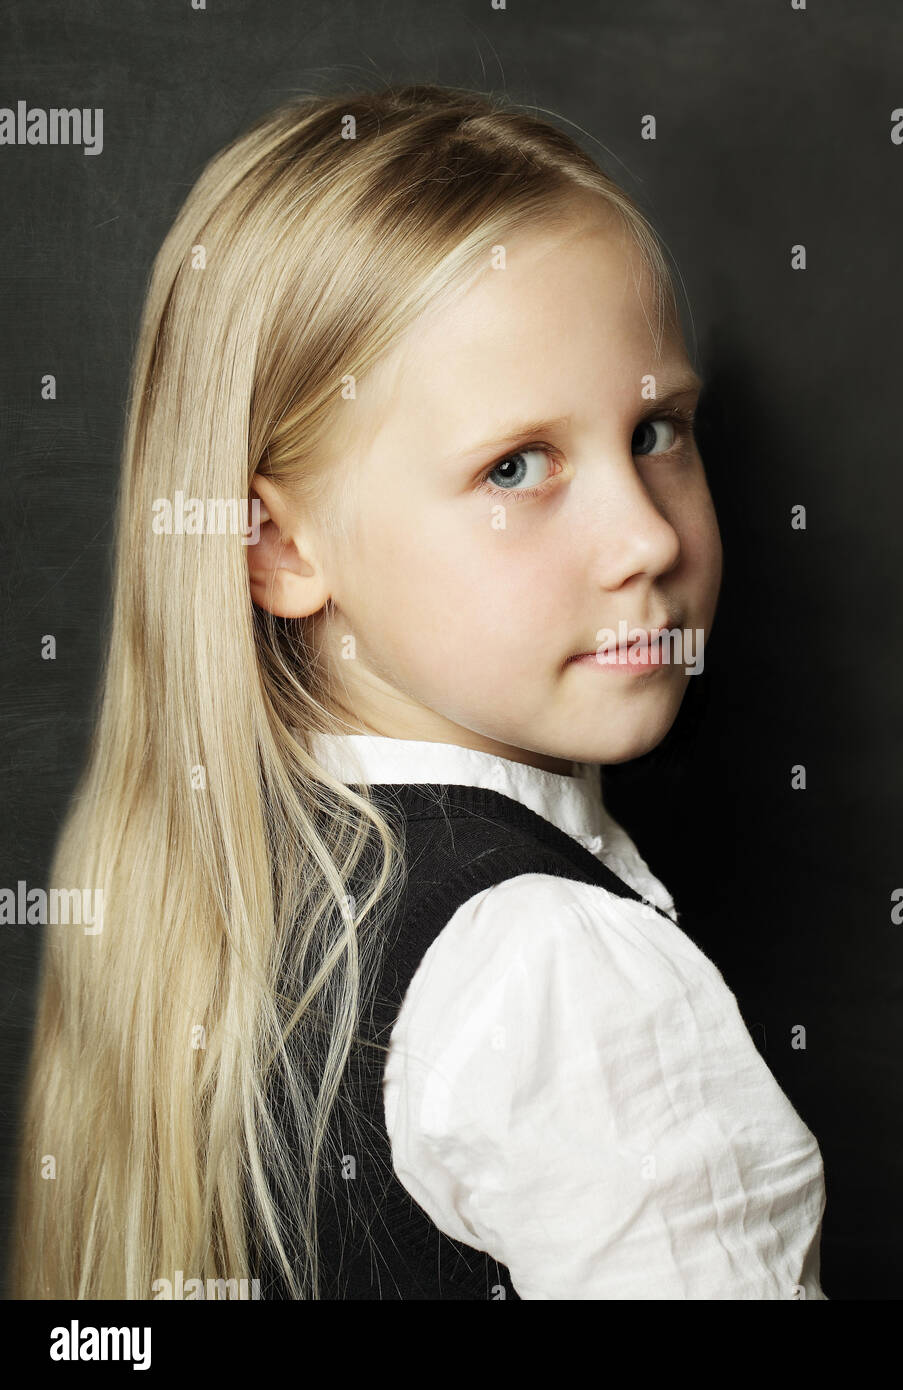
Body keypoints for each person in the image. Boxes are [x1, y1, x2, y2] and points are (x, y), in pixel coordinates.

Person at [10, 83, 827, 1299]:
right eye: (515, 465)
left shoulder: (205, 893)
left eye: (658, 430)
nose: (645, 539)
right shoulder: (556, 977)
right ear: (280, 549)